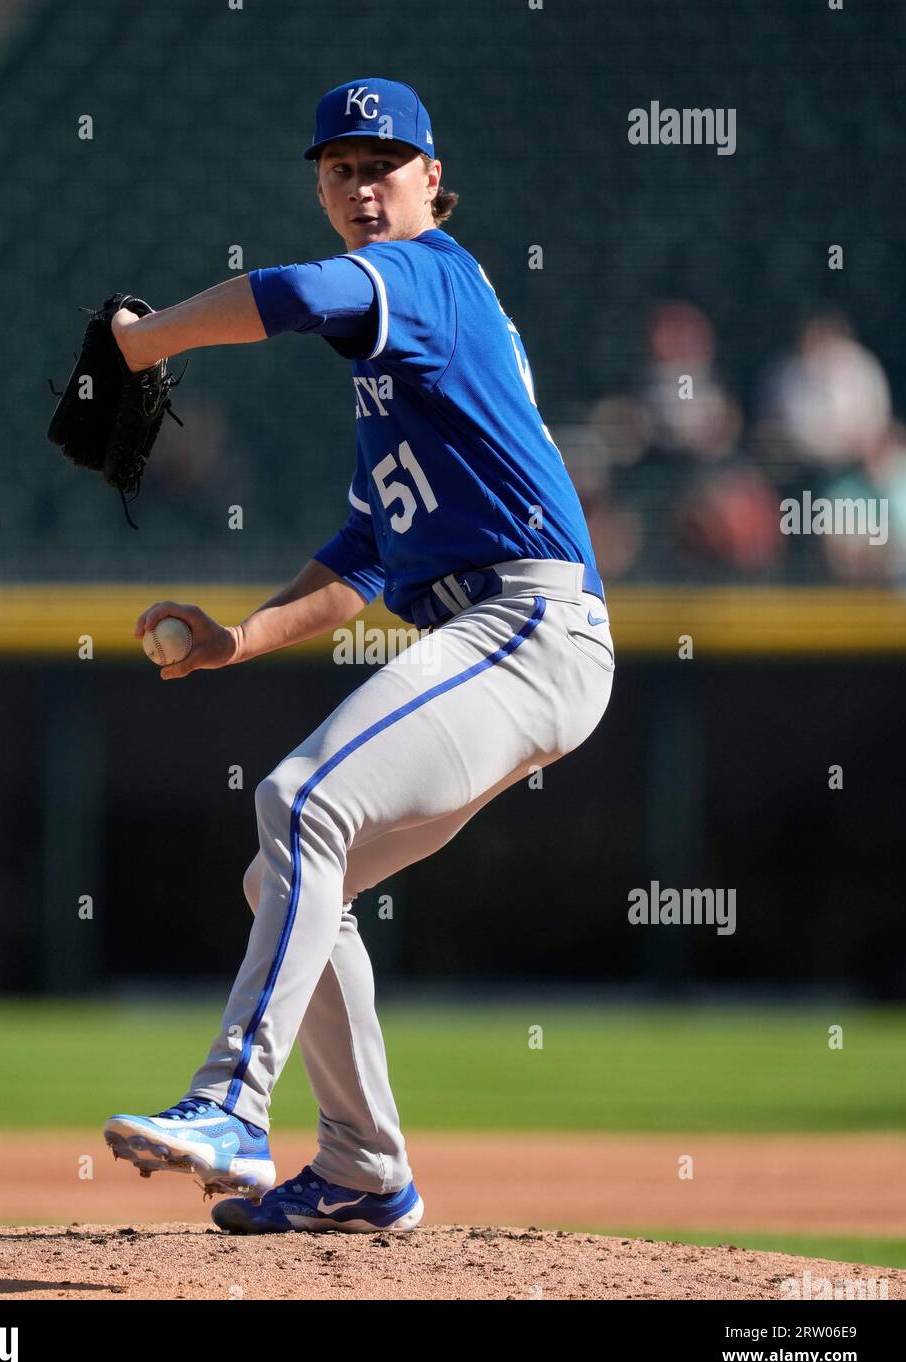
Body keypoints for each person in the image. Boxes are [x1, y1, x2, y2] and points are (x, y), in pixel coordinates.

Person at [103, 78, 615, 1235]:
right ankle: (362, 1166)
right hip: (504, 641)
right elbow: (363, 562)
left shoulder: (427, 278)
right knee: (287, 876)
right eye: (337, 167)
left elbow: (288, 292)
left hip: (528, 628)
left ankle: (231, 1102)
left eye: (382, 162)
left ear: (431, 179)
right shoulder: (394, 375)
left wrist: (147, 341)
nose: (359, 184)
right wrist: (240, 640)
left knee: (298, 802)